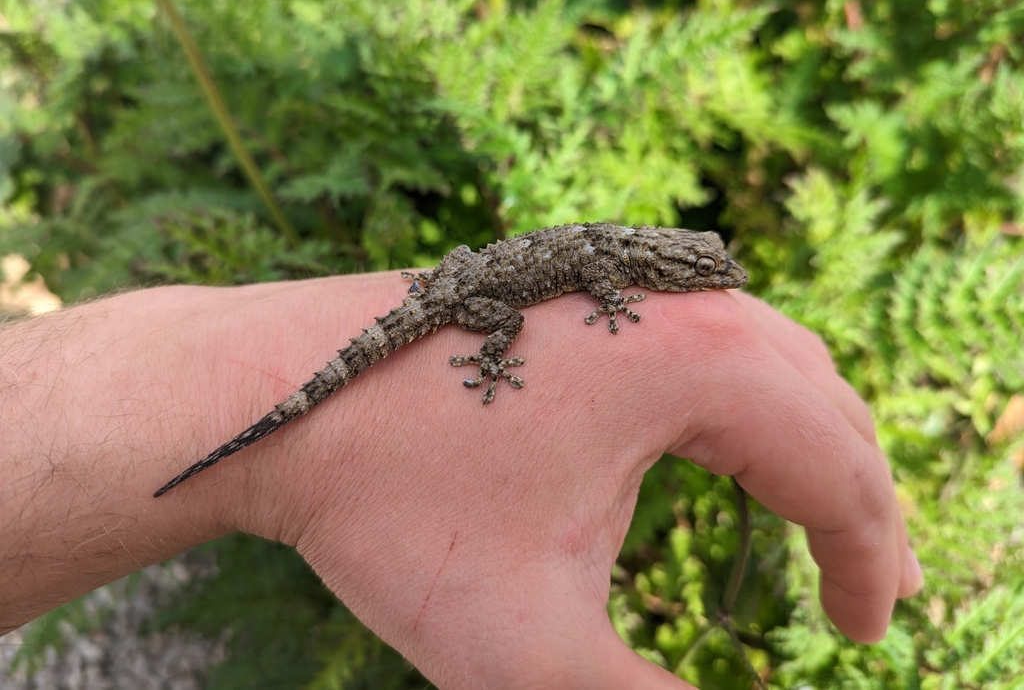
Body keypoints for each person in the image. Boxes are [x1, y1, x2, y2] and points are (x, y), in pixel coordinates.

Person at [0, 272, 921, 689]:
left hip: (450, 280)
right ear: (665, 264)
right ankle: (485, 366)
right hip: (460, 302)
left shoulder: (621, 260)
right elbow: (593, 287)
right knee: (501, 336)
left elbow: (598, 276)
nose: (714, 275)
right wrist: (492, 364)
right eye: (703, 267)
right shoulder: (615, 270)